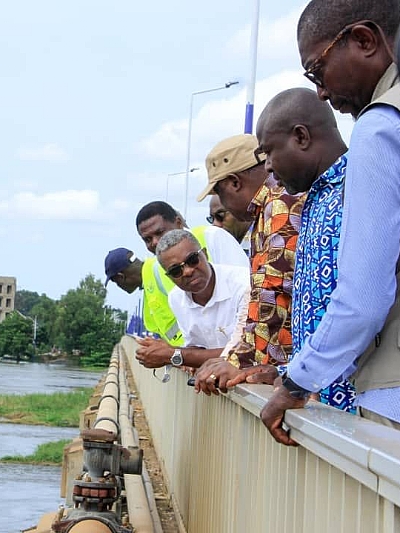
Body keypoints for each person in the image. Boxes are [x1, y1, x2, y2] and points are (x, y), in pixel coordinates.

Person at [258, 0, 400, 458]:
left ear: (364, 41)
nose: (321, 93)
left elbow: (363, 298)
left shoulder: (384, 124)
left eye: (317, 70)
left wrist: (297, 382)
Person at [250, 87, 357, 414]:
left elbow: (357, 303)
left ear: (301, 137)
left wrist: (300, 381)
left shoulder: (356, 188)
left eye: (269, 152)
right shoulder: (315, 199)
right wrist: (289, 374)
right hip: (320, 403)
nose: (267, 167)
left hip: (355, 407)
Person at [192, 134, 304, 394]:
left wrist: (237, 364)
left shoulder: (280, 206)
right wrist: (230, 359)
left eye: (220, 194)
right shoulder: (265, 212)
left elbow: (271, 298)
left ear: (234, 182)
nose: (223, 207)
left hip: (297, 380)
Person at [133, 201, 249, 364]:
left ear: (205, 255)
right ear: (169, 276)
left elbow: (245, 351)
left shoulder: (215, 239)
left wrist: (174, 355)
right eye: (175, 271)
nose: (187, 271)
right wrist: (183, 357)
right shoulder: (176, 297)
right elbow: (195, 346)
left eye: (193, 260)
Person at [103, 247, 180, 342]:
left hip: (195, 349)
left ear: (121, 277)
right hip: (184, 351)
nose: (119, 286)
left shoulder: (160, 270)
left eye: (116, 282)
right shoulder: (148, 285)